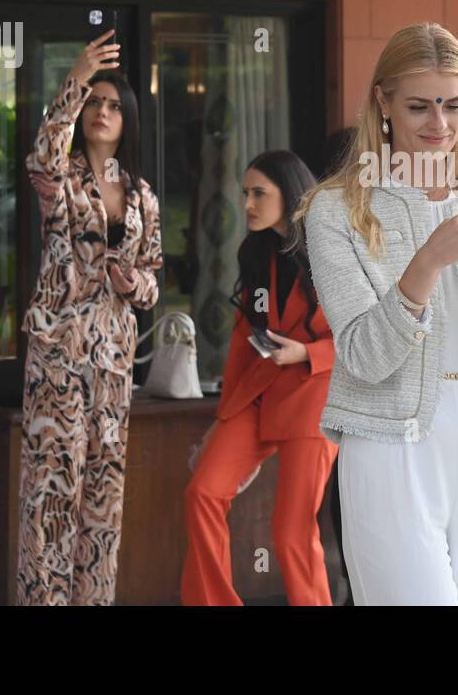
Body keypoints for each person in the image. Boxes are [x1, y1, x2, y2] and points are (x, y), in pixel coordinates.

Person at [301, 22, 458, 605]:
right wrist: (428, 262)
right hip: (389, 445)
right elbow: (362, 357)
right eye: (419, 106)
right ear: (383, 103)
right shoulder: (336, 211)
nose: (440, 124)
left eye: (454, 105)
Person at [18, 31, 163, 606]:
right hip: (59, 356)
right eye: (93, 103)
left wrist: (135, 283)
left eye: (111, 105)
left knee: (103, 501)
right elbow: (40, 154)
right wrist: (76, 78)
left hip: (113, 363)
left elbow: (153, 282)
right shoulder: (60, 179)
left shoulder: (142, 196)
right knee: (52, 498)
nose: (101, 112)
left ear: (126, 120)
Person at [182, 150, 336, 606]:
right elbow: (241, 343)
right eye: (245, 193)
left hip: (314, 397)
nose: (246, 203)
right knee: (202, 493)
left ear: (288, 195)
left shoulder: (333, 248)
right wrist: (222, 418)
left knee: (290, 534)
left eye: (258, 193)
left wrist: (307, 352)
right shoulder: (256, 252)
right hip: (258, 394)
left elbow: (364, 333)